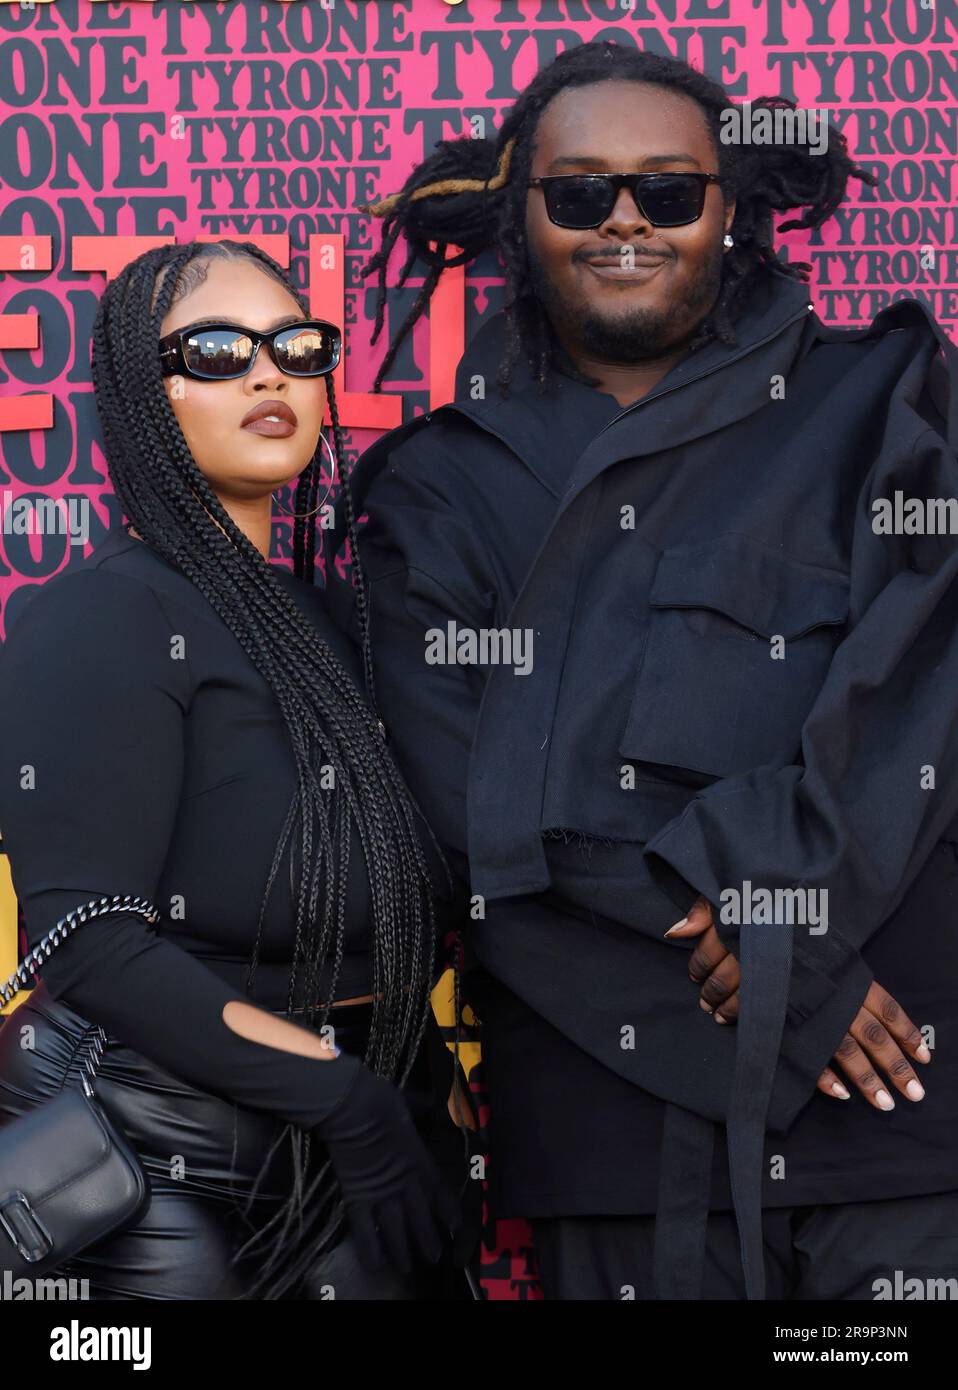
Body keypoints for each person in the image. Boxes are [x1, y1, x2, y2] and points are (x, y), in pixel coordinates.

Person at [326, 43, 958, 1300]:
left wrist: (793, 931)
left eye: (669, 191)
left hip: (890, 1106)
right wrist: (793, 981)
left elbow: (921, 690)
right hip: (611, 1119)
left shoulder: (881, 401)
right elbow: (471, 811)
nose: (625, 219)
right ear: (523, 220)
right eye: (580, 195)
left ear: (732, 210)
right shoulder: (432, 487)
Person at [0, 239, 465, 1301]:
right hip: (149, 1158)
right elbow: (86, 938)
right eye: (215, 350)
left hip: (359, 1134)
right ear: (137, 391)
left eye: (297, 347)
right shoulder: (101, 616)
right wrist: (344, 1100)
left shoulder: (334, 624)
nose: (268, 374)